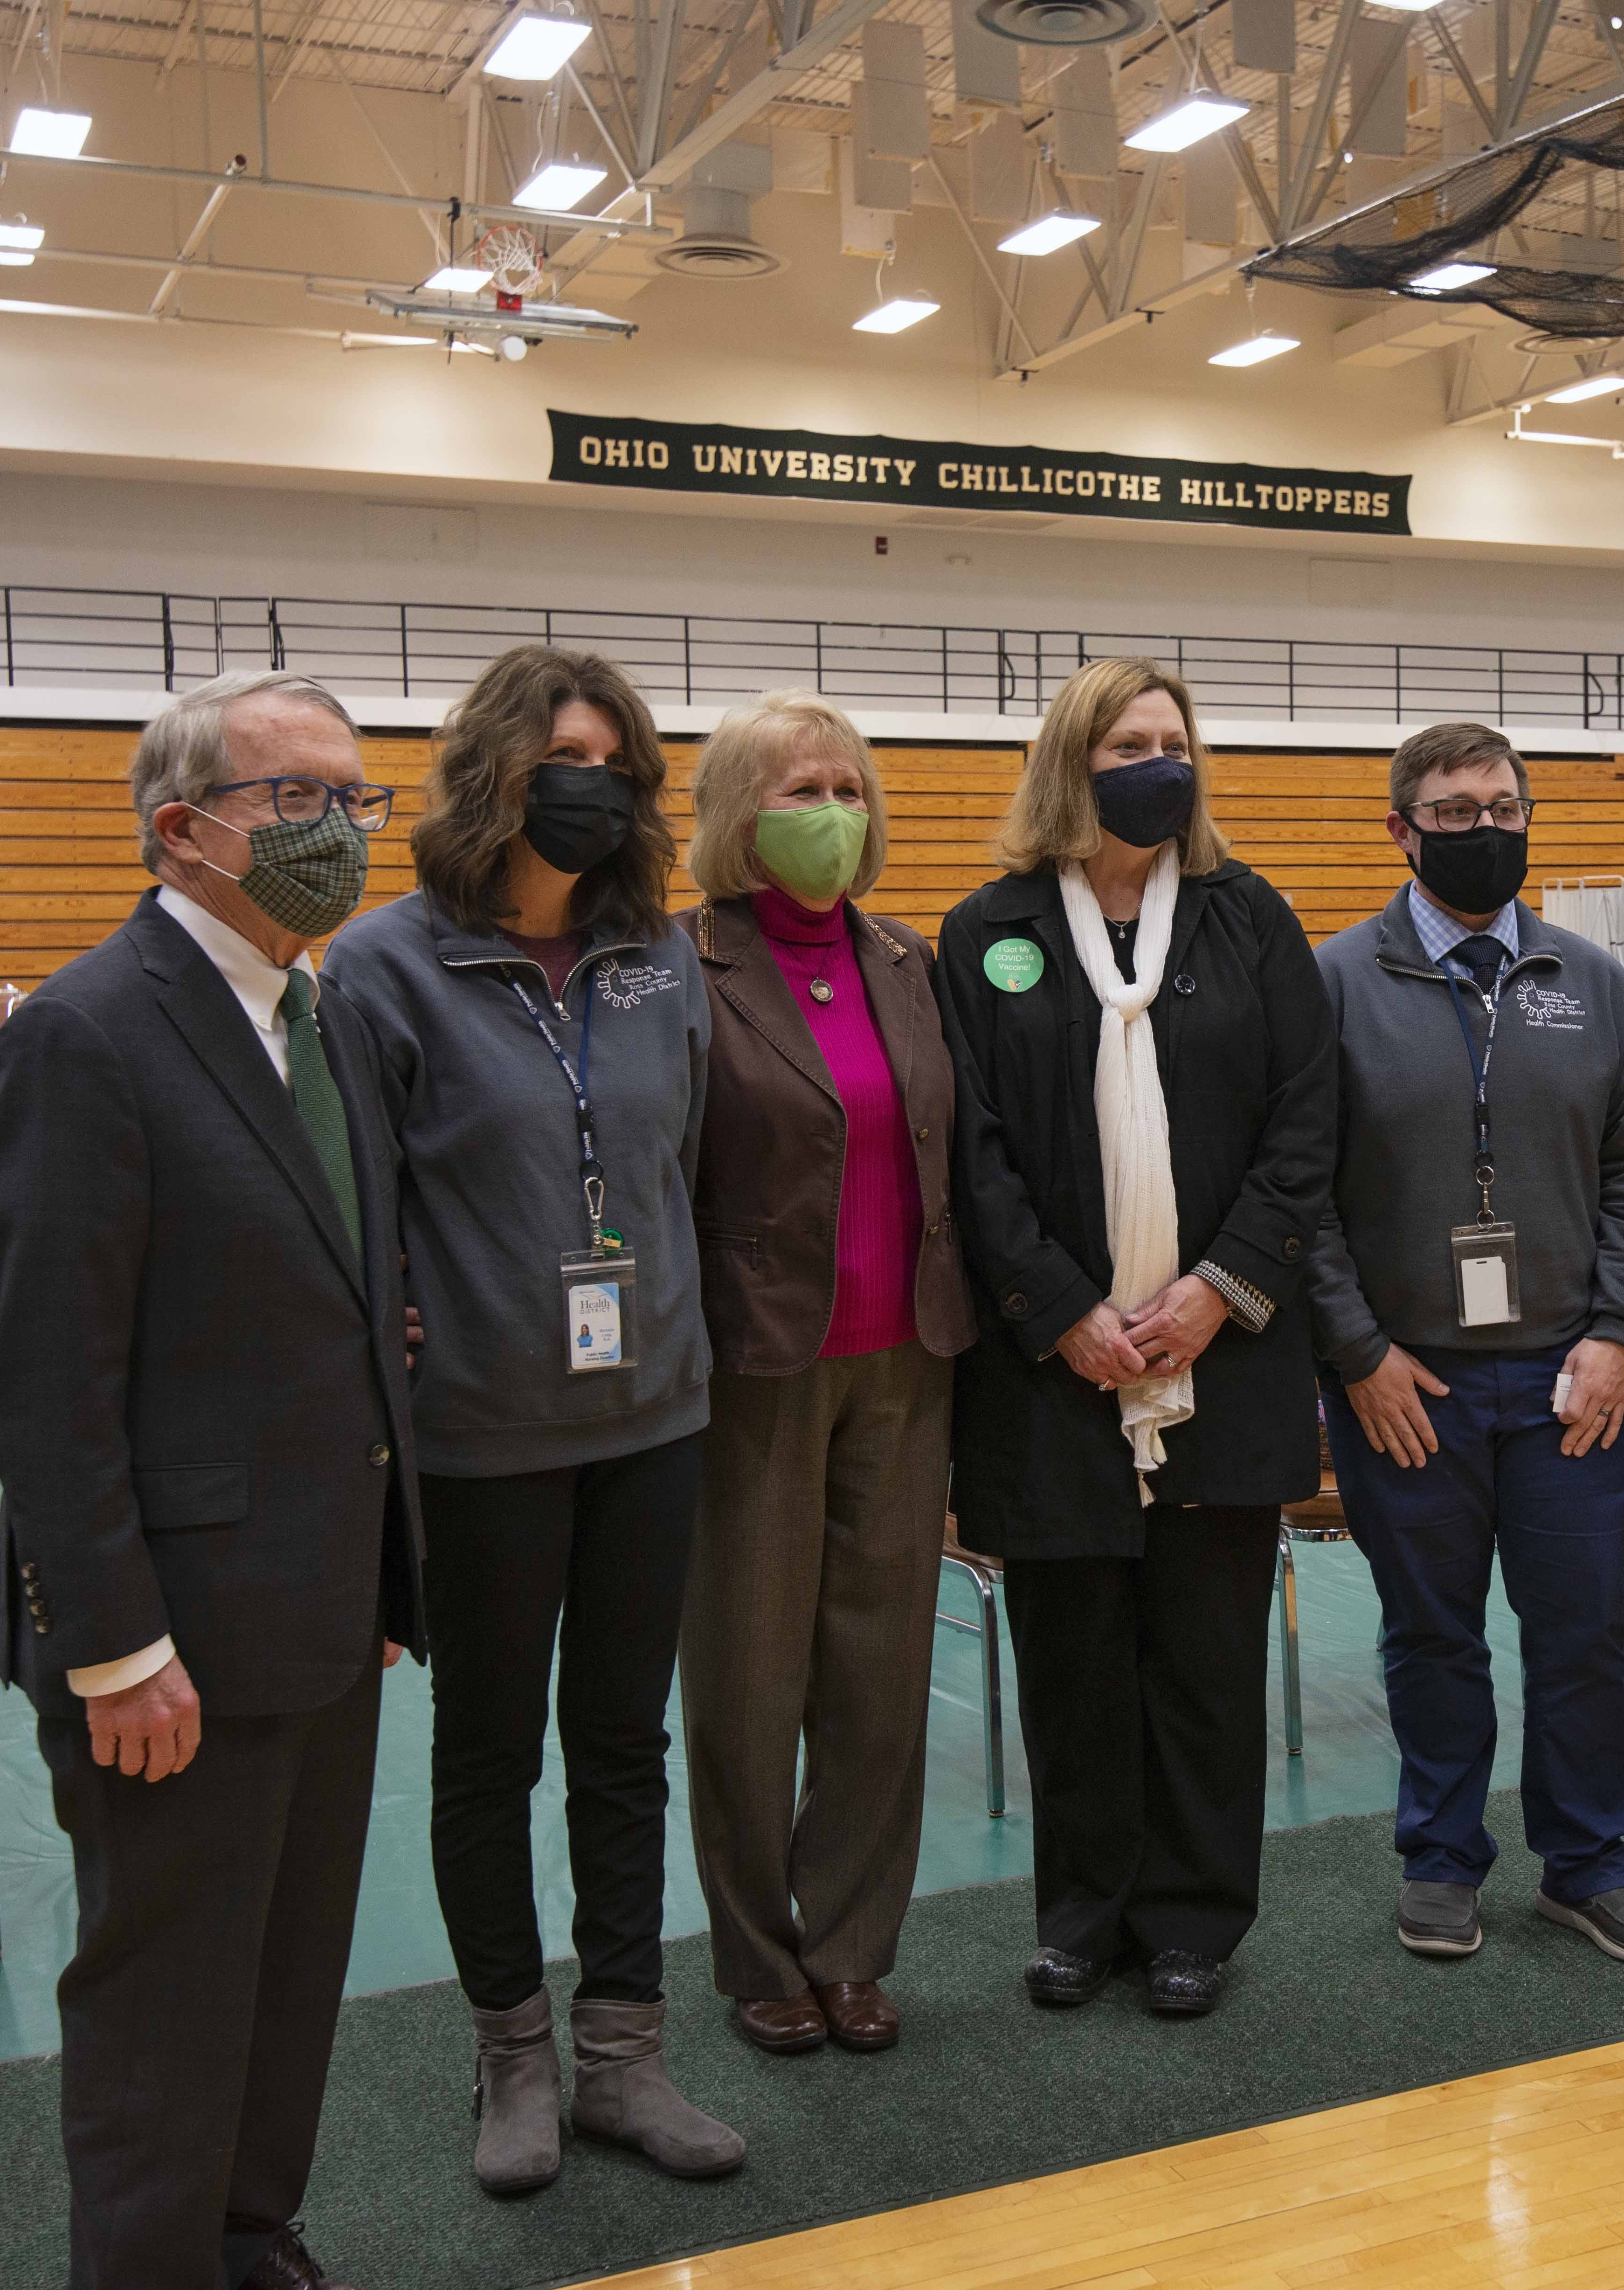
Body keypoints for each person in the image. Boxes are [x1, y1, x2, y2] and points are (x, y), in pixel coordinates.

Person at [0, 669, 422, 2290]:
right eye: (296, 799)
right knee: (168, 2002)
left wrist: (377, 1580)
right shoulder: (85, 1035)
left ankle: (248, 2237)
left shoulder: (329, 1012)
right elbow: (47, 1381)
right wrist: (112, 1644)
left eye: (356, 800)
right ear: (183, 830)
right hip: (164, 1643)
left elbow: (349, 1304)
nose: (341, 831)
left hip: (316, 1603)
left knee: (289, 1972)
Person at [320, 645, 739, 2196]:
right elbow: (358, 1207)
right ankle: (513, 2057)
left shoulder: (658, 958)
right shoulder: (382, 969)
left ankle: (625, 2052)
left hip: (653, 1415)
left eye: (623, 767)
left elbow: (682, 1157)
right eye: (572, 755)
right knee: (489, 1753)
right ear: (499, 768)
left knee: (625, 1743)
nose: (601, 788)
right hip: (483, 1429)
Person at [938, 656, 1337, 2021]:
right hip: (1054, 1368)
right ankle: (1080, 1913)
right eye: (1127, 741)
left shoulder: (1249, 921)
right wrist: (1060, 1312)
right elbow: (970, 1150)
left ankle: (1190, 1918)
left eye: (1174, 739)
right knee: (1072, 1659)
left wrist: (1218, 1287)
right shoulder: (986, 929)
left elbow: (1304, 1124)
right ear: (1071, 760)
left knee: (1205, 1655)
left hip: (1217, 1355)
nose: (1156, 761)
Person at [1307, 724, 1624, 1967]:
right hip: (1409, 1381)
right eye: (1455, 813)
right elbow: (1293, 1189)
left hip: (1574, 1379)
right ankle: (1442, 1857)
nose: (1485, 831)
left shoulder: (1592, 985)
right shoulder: (1335, 984)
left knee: (1584, 1629)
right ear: (1400, 829)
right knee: (1432, 1636)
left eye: (1505, 808)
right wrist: (1356, 1352)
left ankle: (1588, 1861)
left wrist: (1622, 1336)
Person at [672, 692, 971, 2060]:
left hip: (906, 1358)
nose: (832, 813)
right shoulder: (678, 969)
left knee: (877, 1669)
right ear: (741, 813)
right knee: (744, 1675)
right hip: (752, 1369)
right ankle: (754, 1949)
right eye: (803, 788)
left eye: (849, 787)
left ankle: (850, 1943)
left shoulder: (907, 960)